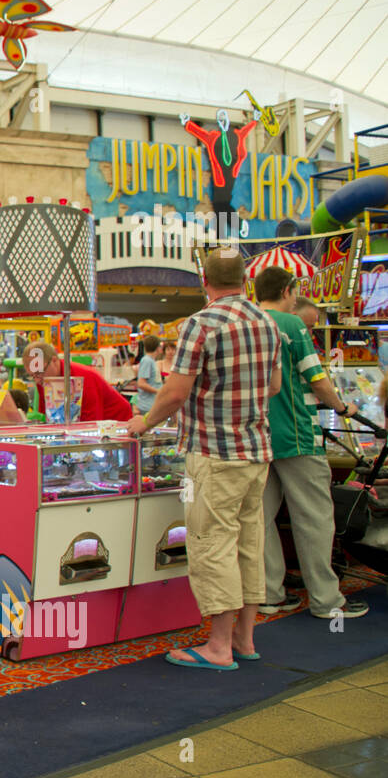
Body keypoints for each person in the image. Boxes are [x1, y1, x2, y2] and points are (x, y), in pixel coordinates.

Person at [129, 249, 281, 671]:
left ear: (204, 280)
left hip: (213, 454)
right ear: (245, 278)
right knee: (249, 545)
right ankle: (244, 639)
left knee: (211, 545)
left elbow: (175, 393)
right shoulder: (265, 321)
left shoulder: (202, 323)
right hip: (256, 453)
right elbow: (273, 385)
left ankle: (218, 647)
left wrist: (143, 421)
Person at [253, 266, 368, 620]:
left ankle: (269, 593)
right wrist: (341, 406)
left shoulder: (247, 323)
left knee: (260, 518)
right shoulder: (291, 325)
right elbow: (316, 378)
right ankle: (326, 601)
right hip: (297, 436)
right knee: (314, 518)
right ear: (289, 290)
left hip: (256, 436)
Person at [22, 340, 134, 422]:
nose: (37, 380)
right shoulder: (43, 380)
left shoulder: (84, 378)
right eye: (32, 376)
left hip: (118, 422)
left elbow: (92, 421)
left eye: (39, 373)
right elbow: (48, 416)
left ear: (54, 361)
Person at [134, 335, 163, 416]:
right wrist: (159, 391)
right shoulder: (147, 361)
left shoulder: (151, 361)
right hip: (147, 405)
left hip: (152, 404)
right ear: (157, 347)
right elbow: (141, 383)